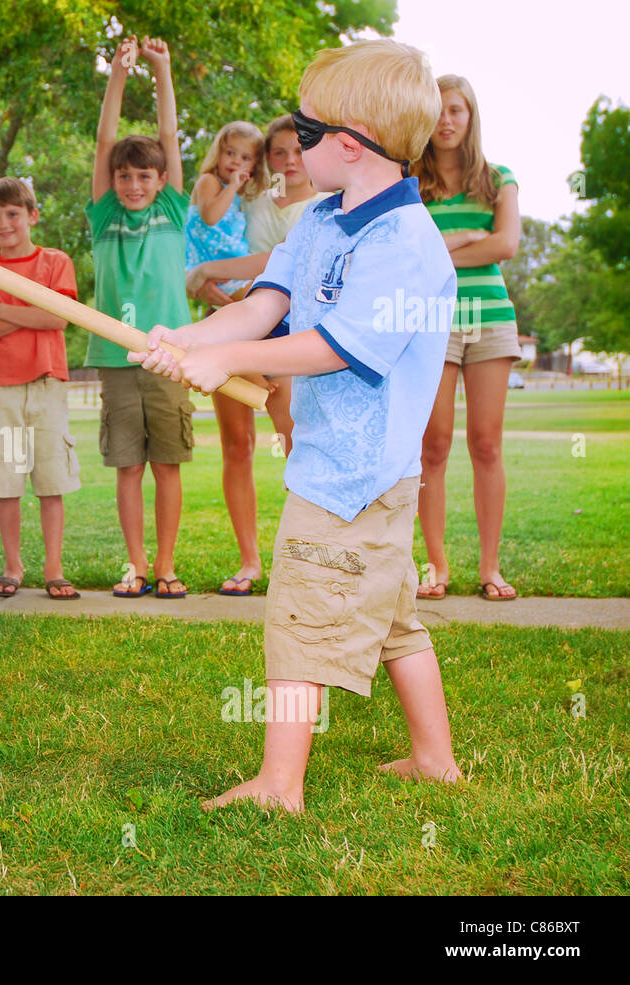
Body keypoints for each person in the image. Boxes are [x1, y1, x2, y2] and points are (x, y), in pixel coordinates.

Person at [130, 39, 462, 811]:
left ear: (349, 145)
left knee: (298, 620)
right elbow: (265, 303)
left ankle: (280, 784)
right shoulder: (319, 221)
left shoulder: (406, 246)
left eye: (303, 134)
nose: (293, 148)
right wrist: (192, 340)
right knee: (394, 619)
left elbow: (337, 346)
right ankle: (434, 759)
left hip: (357, 476)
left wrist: (236, 361)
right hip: (341, 468)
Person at [185, 116, 328, 596]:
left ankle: (304, 556)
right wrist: (210, 285)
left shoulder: (324, 205)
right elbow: (211, 226)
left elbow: (276, 262)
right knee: (237, 445)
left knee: (294, 440)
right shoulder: (253, 200)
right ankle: (249, 561)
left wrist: (210, 269)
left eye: (298, 151)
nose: (289, 162)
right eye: (278, 153)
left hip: (289, 332)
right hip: (238, 324)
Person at [87, 35, 192, 600]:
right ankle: (136, 565)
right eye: (124, 176)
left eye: (143, 177)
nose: (132, 185)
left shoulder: (173, 212)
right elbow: (107, 139)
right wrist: (118, 74)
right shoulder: (104, 216)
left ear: (159, 181)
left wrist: (161, 68)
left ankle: (168, 566)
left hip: (171, 354)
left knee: (167, 466)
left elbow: (169, 137)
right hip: (116, 356)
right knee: (128, 467)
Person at [412, 75, 521, 602]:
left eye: (457, 110)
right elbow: (407, 254)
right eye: (438, 110)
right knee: (432, 445)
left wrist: (444, 250)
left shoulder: (499, 178)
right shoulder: (410, 181)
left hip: (490, 318)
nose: (447, 120)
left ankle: (490, 567)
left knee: (486, 443)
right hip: (432, 319)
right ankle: (435, 566)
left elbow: (506, 244)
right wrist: (466, 239)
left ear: (471, 116)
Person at [0, 177, 81, 600]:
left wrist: (1, 309)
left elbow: (58, 319)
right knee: (5, 484)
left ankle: (54, 568)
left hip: (46, 385)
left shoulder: (55, 262)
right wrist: (32, 308)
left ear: (32, 216)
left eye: (13, 214)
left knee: (51, 482)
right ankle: (13, 567)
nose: (3, 223)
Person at [185, 121, 268, 298]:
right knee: (259, 299)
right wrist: (232, 186)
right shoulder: (209, 181)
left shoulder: (238, 195)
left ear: (254, 165)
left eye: (245, 158)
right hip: (209, 265)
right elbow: (210, 217)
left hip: (229, 266)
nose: (236, 161)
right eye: (230, 153)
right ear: (218, 153)